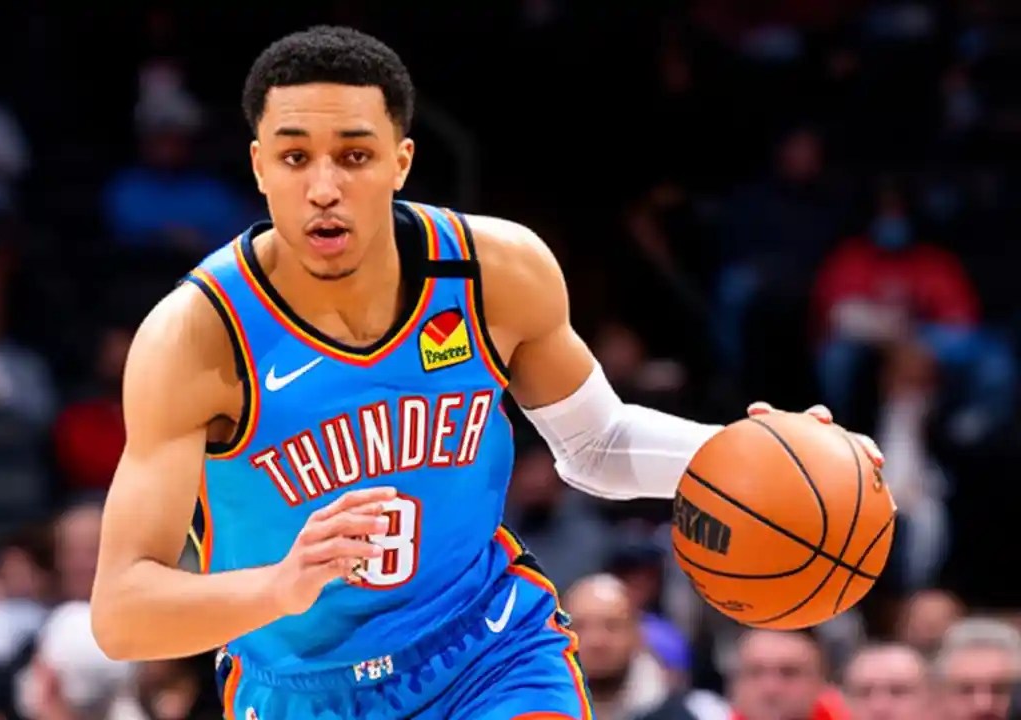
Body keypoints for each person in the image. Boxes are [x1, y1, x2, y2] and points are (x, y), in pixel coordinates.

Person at [90, 25, 883, 720]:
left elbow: (596, 445)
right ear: (260, 165)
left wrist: (757, 454)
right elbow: (122, 613)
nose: (324, 187)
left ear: (402, 160)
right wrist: (280, 586)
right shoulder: (200, 337)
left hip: (485, 650)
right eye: (295, 157)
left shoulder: (491, 272)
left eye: (355, 155)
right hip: (301, 687)